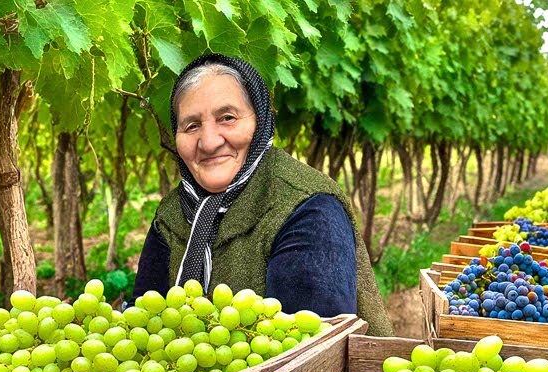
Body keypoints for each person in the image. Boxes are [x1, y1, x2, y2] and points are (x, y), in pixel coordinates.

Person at [134, 53, 392, 336]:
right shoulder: (172, 214)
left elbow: (308, 348)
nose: (208, 142)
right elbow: (144, 327)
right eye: (192, 125)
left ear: (260, 121)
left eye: (227, 118)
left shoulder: (309, 208)